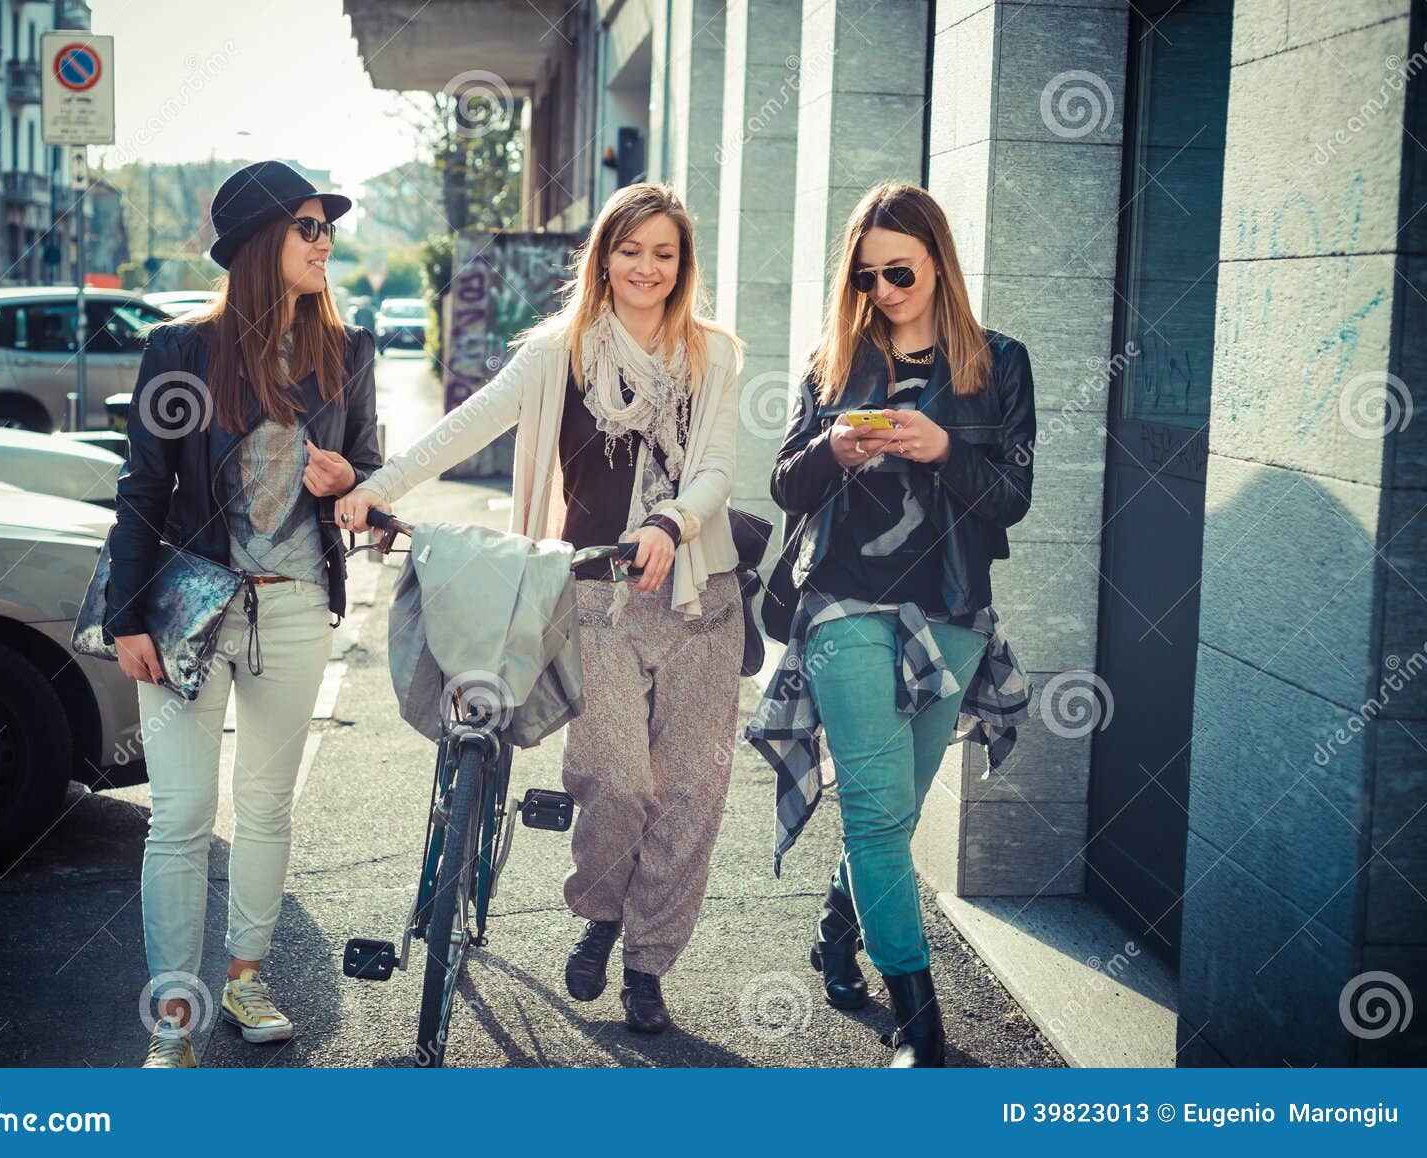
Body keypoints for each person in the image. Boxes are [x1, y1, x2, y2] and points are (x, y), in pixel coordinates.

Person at [337, 183, 746, 1034]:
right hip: (593, 589)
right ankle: (601, 910)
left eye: (664, 253)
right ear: (603, 257)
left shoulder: (712, 355)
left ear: (683, 264)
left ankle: (646, 961)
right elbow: (465, 426)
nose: (646, 268)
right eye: (630, 250)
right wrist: (373, 489)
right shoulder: (560, 353)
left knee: (693, 795)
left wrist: (672, 521)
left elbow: (713, 469)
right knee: (619, 782)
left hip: (702, 598)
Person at [103, 161, 382, 1067]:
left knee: (265, 806)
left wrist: (353, 484)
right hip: (192, 606)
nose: (325, 240)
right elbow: (143, 487)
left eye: (327, 226)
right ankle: (173, 1016)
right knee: (179, 814)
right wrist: (126, 615)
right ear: (263, 244)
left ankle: (247, 976)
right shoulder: (179, 350)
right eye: (307, 227)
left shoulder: (349, 348)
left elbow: (372, 477)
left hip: (297, 606)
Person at [747, 181, 1033, 1066]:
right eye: (866, 276)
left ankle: (838, 928)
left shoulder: (999, 363)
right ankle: (920, 1023)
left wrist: (946, 449)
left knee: (895, 813)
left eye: (899, 271)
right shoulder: (833, 363)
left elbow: (1014, 500)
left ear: (938, 260)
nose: (883, 290)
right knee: (875, 814)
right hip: (841, 605)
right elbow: (787, 486)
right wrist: (833, 448)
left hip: (951, 608)